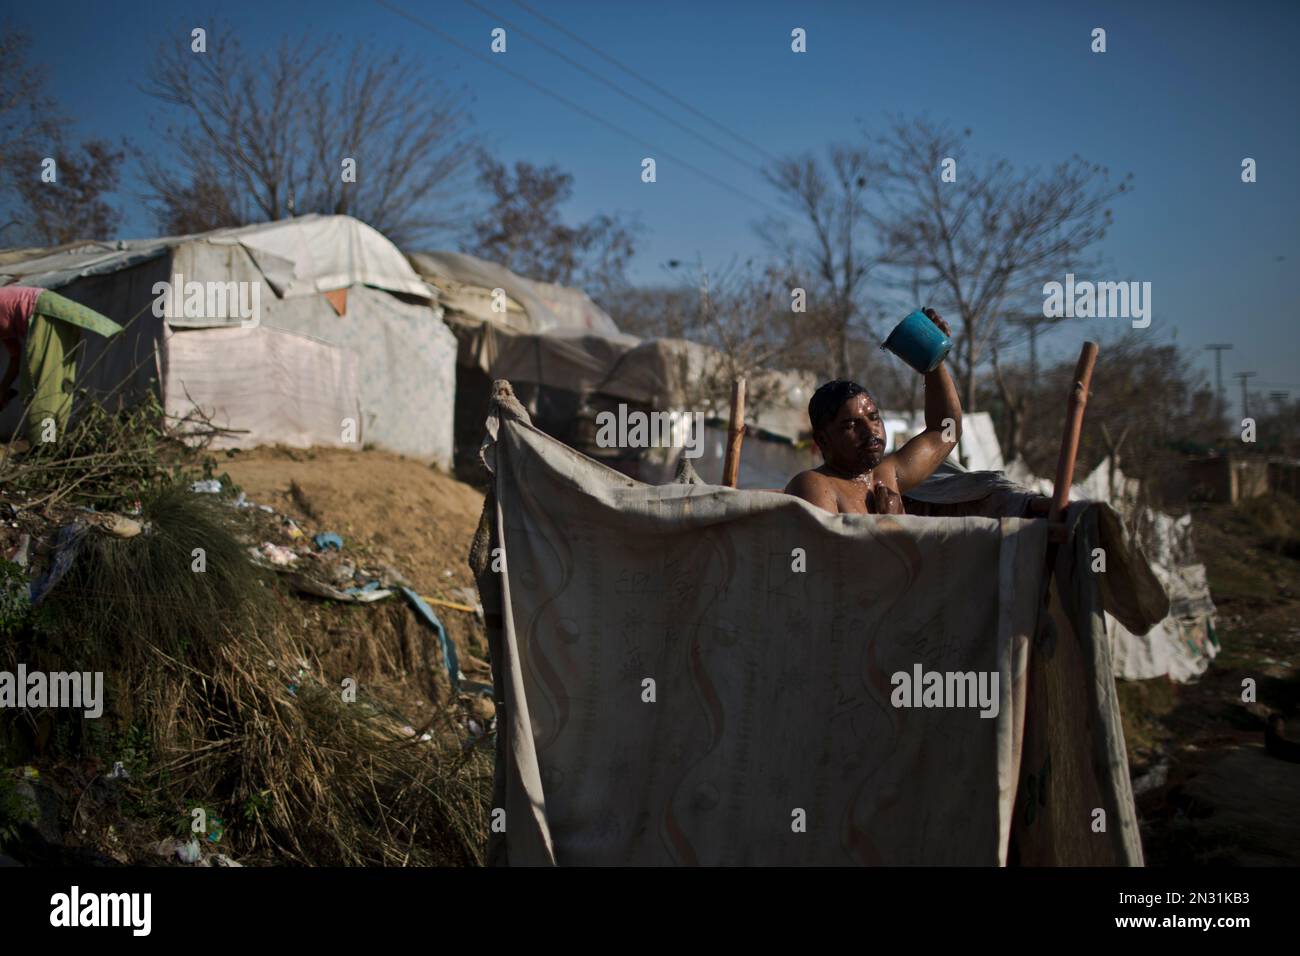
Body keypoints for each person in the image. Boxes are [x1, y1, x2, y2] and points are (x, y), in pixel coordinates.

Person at [785, 308, 961, 515]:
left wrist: (934, 360)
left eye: (874, 418)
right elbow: (830, 547)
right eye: (851, 425)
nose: (871, 432)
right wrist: (890, 524)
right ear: (823, 440)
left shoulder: (887, 473)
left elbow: (945, 431)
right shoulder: (813, 485)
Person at [0, 285, 123, 446]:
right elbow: (15, 359)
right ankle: (54, 442)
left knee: (42, 389)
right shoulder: (6, 323)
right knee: (57, 387)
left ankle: (44, 445)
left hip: (42, 314)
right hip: (54, 313)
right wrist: (3, 388)